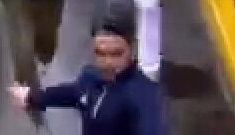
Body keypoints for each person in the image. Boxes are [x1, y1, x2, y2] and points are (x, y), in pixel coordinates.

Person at [10, 12, 168, 134]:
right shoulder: (91, 77)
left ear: (133, 51)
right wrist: (32, 97)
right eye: (100, 53)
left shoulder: (143, 95)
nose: (107, 63)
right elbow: (72, 93)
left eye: (116, 54)